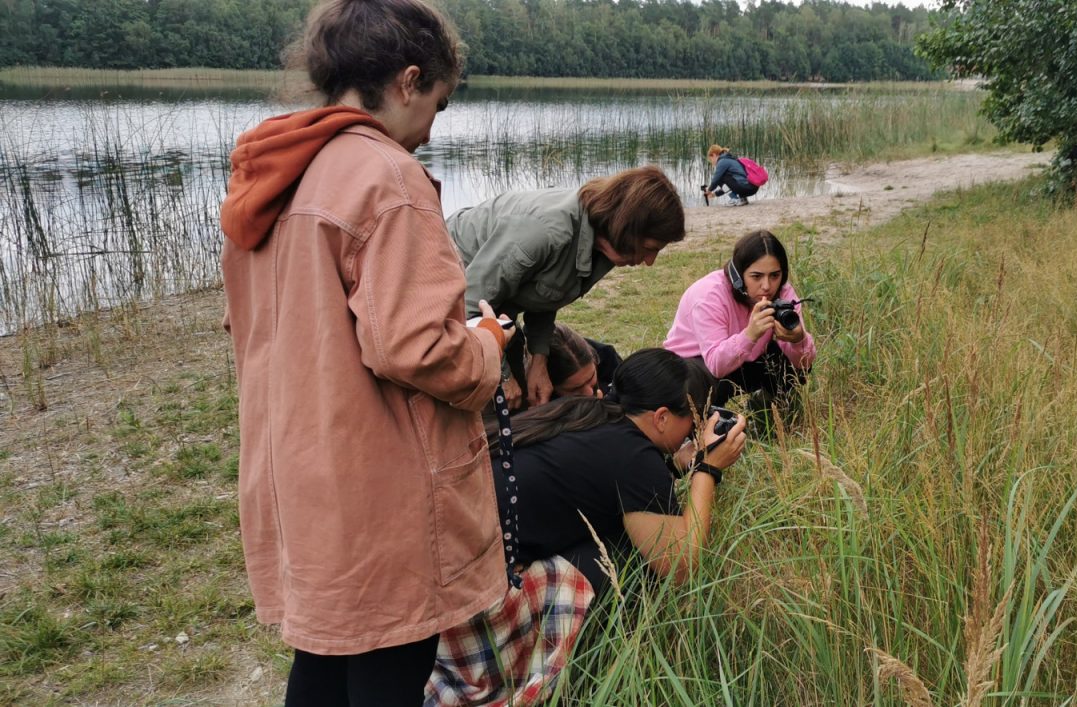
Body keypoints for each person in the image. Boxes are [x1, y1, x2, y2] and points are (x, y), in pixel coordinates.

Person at [219, 1, 507, 704]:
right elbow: (416, 348)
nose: (432, 131)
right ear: (408, 81)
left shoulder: (277, 171)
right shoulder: (387, 177)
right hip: (378, 489)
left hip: (297, 473)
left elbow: (252, 327)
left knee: (321, 661)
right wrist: (487, 346)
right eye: (437, 104)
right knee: (387, 666)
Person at [426, 349, 747, 705]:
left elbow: (603, 482)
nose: (694, 434)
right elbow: (680, 565)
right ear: (660, 417)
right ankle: (570, 670)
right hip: (465, 613)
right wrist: (708, 470)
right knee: (628, 560)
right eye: (692, 423)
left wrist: (674, 465)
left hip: (434, 572)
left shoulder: (588, 415)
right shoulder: (635, 460)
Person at [448, 166, 684, 409]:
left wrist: (538, 360)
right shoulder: (543, 234)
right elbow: (467, 306)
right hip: (452, 291)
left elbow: (545, 293)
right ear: (628, 227)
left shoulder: (606, 246)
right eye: (650, 248)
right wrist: (500, 375)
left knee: (524, 392)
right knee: (494, 402)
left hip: (494, 309)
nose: (650, 261)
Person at [663, 230, 815, 412]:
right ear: (737, 275)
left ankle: (766, 411)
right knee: (701, 382)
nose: (767, 286)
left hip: (742, 360)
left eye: (775, 275)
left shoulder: (783, 293)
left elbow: (804, 364)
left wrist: (798, 340)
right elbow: (716, 365)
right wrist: (750, 335)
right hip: (692, 366)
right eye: (756, 276)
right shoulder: (709, 295)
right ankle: (707, 422)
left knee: (789, 366)